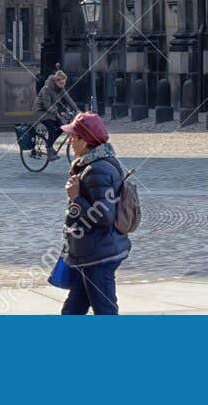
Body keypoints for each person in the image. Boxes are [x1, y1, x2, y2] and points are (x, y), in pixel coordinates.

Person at [60, 111, 130, 314]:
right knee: (73, 310)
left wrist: (76, 197)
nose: (70, 141)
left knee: (105, 311)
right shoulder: (96, 164)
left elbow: (103, 216)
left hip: (98, 254)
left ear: (86, 140)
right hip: (91, 252)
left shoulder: (96, 170)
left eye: (74, 136)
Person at [33, 69, 78, 160]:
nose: (63, 85)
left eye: (64, 83)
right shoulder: (47, 89)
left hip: (50, 111)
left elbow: (69, 100)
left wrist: (78, 111)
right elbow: (46, 105)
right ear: (56, 81)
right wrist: (57, 113)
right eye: (61, 83)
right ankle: (49, 150)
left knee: (62, 127)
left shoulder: (61, 89)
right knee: (52, 129)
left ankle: (49, 145)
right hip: (41, 111)